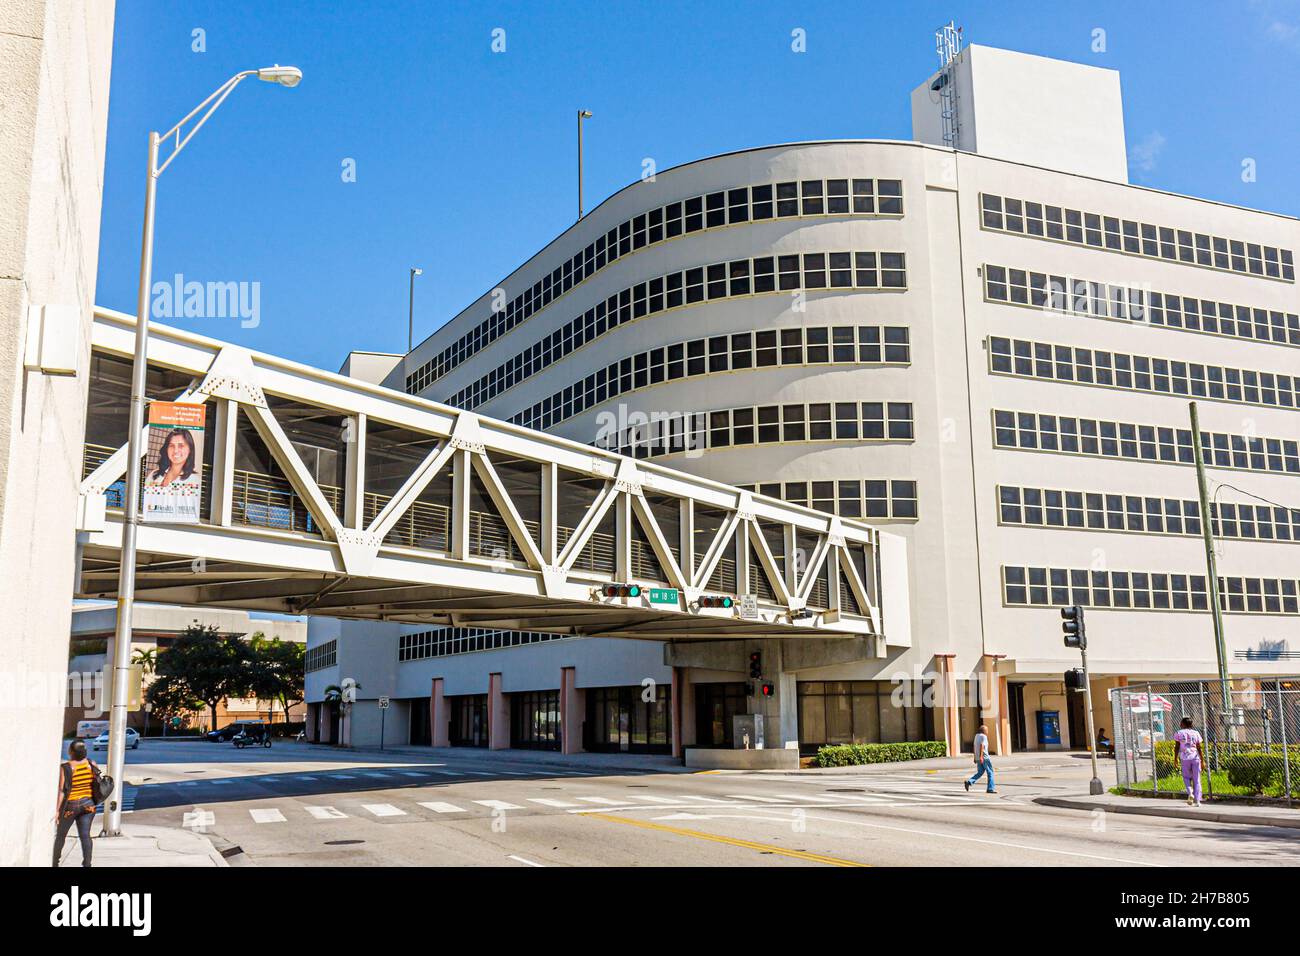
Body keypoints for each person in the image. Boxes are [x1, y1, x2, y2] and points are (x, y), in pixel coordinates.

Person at [54, 739, 100, 867]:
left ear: (71, 752)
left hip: (71, 806)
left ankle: (54, 862)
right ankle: (87, 863)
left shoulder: (66, 767)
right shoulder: (91, 764)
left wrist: (57, 810)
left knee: (61, 835)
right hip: (88, 805)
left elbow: (62, 790)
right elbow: (96, 783)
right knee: (85, 835)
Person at [1173, 715, 1206, 806]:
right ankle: (1198, 801)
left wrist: (1175, 759)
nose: (1180, 724)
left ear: (1183, 724)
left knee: (1186, 777)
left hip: (1185, 758)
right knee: (1197, 779)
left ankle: (1190, 791)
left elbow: (1177, 747)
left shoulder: (1178, 733)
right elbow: (1199, 748)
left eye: (1181, 723)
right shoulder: (1196, 733)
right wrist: (1202, 760)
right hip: (1195, 758)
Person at [964, 723, 997, 793]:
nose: (987, 732)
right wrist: (981, 757)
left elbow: (975, 746)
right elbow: (982, 746)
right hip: (984, 758)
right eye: (987, 730)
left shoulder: (976, 736)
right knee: (990, 772)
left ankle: (969, 782)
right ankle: (990, 789)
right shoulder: (984, 736)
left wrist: (975, 757)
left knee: (980, 772)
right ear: (984, 731)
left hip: (978, 757)